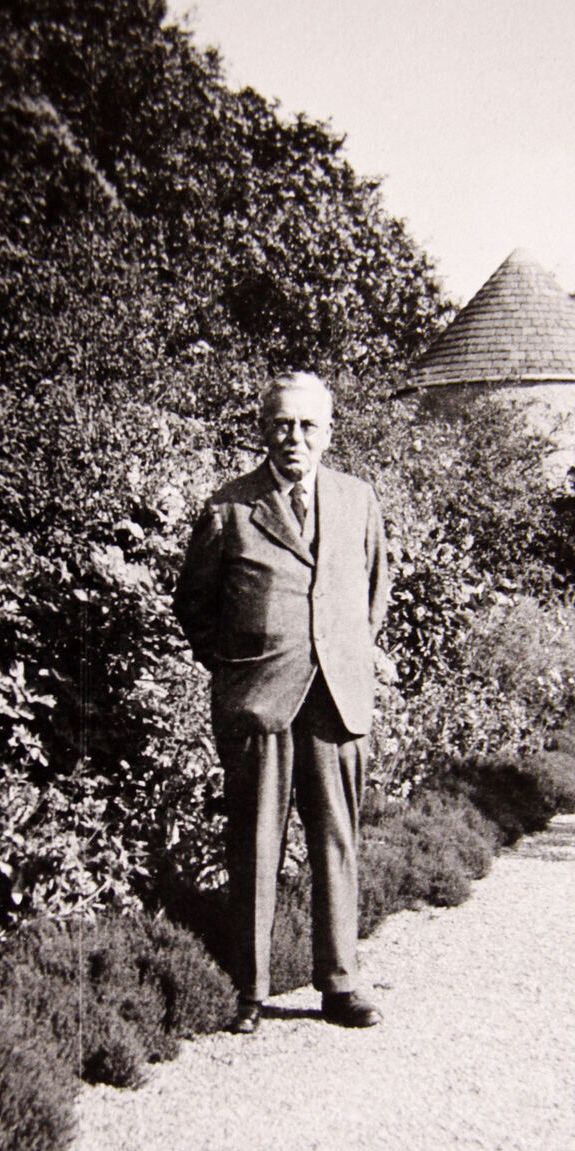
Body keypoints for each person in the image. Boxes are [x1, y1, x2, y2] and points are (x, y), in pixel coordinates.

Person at [173, 371, 389, 1033]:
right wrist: (239, 668)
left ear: (329, 433)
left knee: (337, 842)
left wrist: (343, 654)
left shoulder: (358, 500)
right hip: (260, 699)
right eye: (281, 424)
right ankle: (249, 989)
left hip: (337, 698)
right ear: (263, 429)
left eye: (308, 425)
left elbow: (374, 593)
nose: (294, 437)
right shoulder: (231, 507)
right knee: (255, 843)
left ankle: (340, 983)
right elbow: (193, 606)